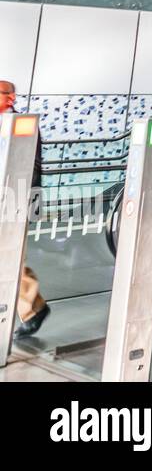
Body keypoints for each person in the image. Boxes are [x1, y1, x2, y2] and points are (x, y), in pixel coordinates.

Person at [0, 80, 48, 338]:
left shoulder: (22, 123)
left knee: (9, 255)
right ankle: (33, 307)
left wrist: (28, 203)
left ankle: (33, 308)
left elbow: (32, 165)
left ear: (10, 97)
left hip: (13, 200)